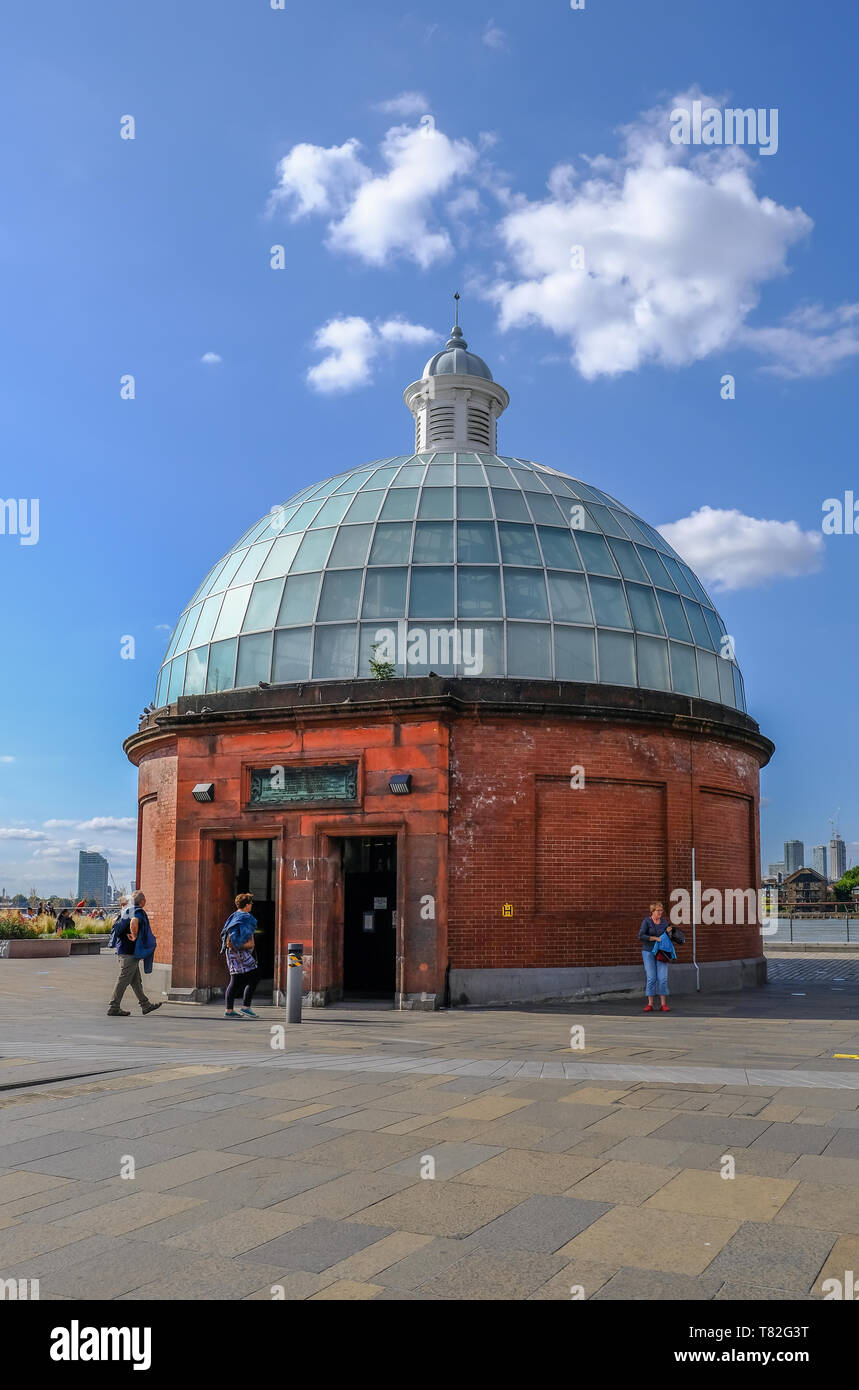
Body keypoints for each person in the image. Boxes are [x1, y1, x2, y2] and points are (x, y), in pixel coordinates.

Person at [107, 890, 162, 1018]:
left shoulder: (126, 910)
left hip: (122, 950)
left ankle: (145, 1005)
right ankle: (113, 1006)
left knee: (136, 981)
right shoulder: (138, 911)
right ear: (142, 901)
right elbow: (134, 922)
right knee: (123, 980)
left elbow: (115, 923)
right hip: (130, 952)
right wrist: (135, 936)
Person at [219, 892, 260, 1019]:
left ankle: (229, 1010)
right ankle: (245, 1007)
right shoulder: (246, 917)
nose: (252, 906)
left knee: (236, 980)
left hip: (231, 953)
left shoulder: (233, 916)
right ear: (247, 905)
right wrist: (249, 944)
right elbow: (244, 936)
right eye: (251, 903)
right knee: (254, 976)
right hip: (239, 952)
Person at [638, 900, 681, 1013]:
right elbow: (641, 935)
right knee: (651, 978)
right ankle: (650, 1004)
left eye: (661, 910)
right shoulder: (646, 922)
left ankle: (663, 1004)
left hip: (661, 952)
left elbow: (668, 936)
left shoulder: (664, 923)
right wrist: (654, 938)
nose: (660, 912)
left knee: (662, 978)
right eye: (658, 910)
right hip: (648, 951)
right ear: (652, 911)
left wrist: (671, 932)